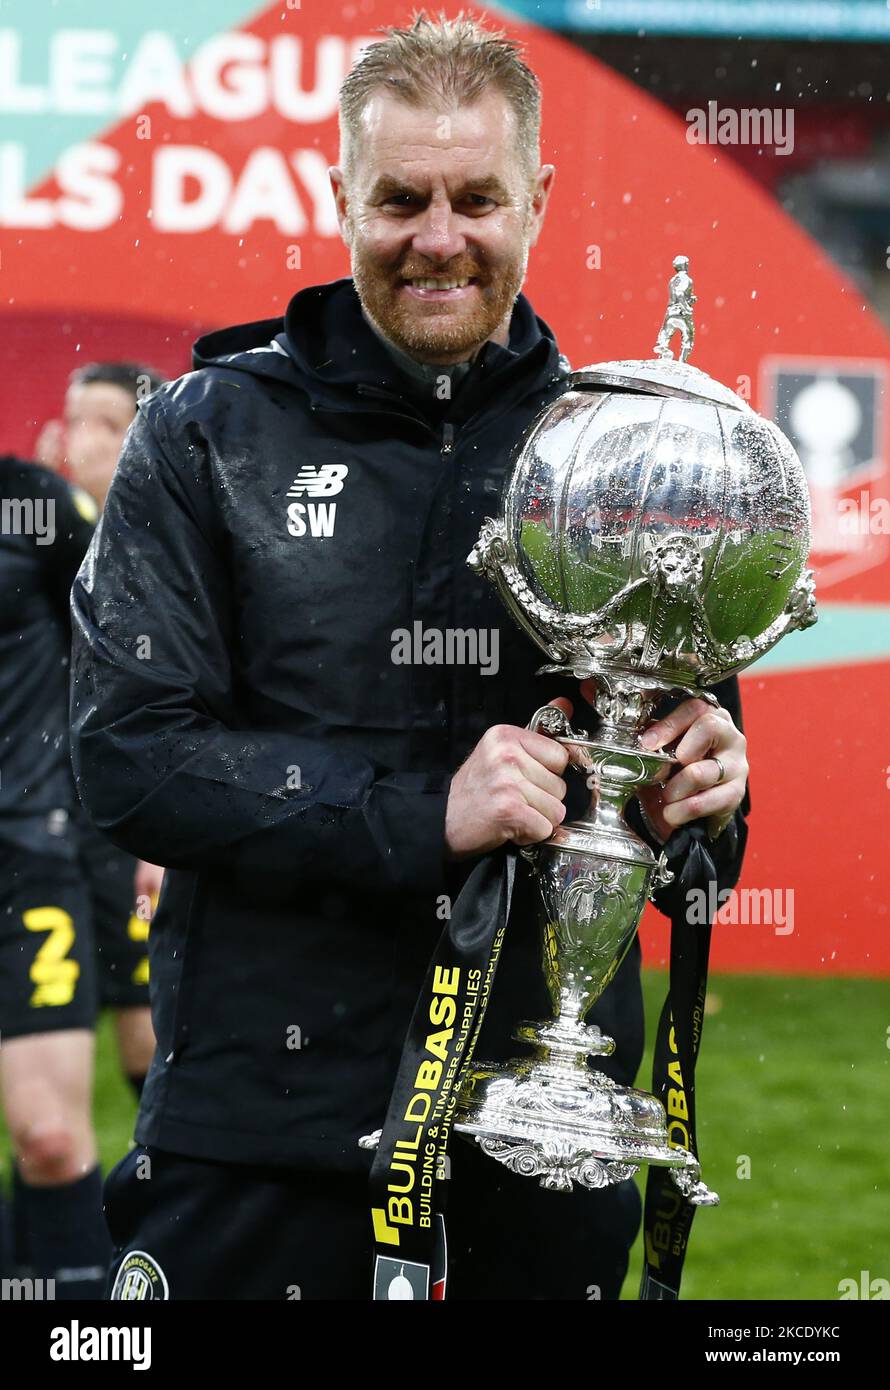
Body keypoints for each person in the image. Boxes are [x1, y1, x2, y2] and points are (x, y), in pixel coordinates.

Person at [70, 12, 749, 1301]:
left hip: (544, 1137)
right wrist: (417, 814)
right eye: (400, 199)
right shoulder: (205, 434)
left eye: (476, 199)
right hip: (258, 1136)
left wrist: (707, 794)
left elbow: (683, 815)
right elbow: (127, 760)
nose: (437, 237)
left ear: (538, 199)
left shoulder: (621, 453)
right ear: (339, 197)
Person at [0, 362, 164, 1299]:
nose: (79, 438)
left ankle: (152, 1257)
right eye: (73, 420)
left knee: (144, 1051)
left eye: (106, 423)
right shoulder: (40, 512)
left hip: (86, 836)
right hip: (55, 835)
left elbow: (134, 673)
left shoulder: (55, 518)